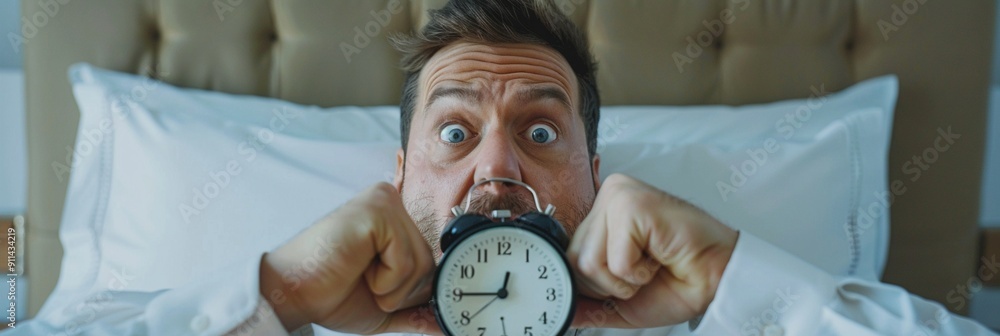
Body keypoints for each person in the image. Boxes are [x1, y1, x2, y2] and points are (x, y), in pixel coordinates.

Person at [11, 0, 998, 335]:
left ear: (596, 176)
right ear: (399, 174)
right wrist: (275, 293)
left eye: (540, 133)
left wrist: (734, 277)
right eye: (454, 133)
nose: (495, 167)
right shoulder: (269, 314)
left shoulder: (730, 316)